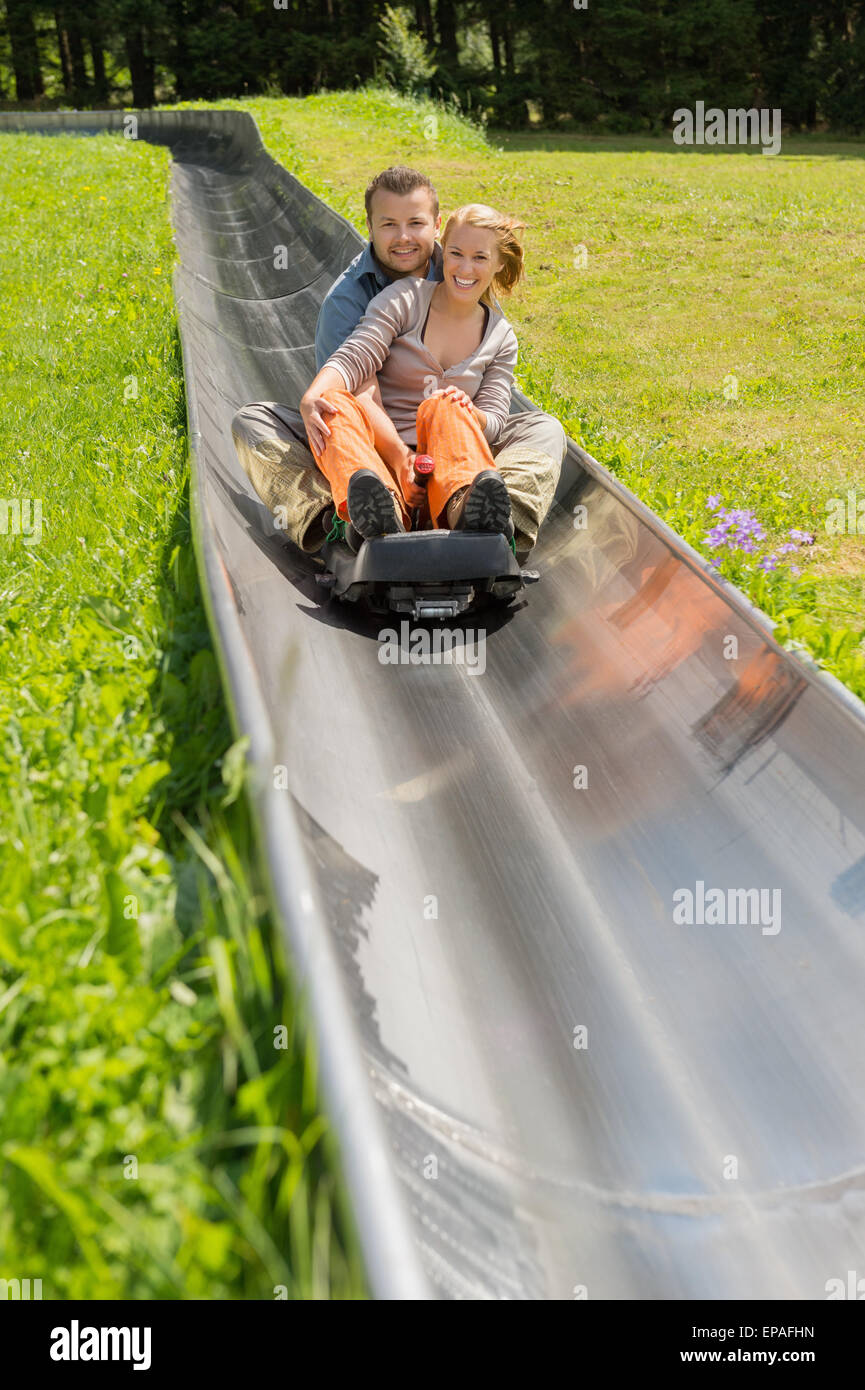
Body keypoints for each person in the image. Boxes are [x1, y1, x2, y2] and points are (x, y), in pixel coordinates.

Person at [231, 166, 566, 561]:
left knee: (543, 428)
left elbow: (492, 410)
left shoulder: (467, 280)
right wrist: (395, 454)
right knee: (259, 422)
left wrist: (465, 411)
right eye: (389, 224)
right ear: (370, 226)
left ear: (437, 228)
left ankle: (490, 519)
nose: (404, 237)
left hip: (454, 449)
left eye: (416, 223)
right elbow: (356, 368)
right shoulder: (375, 299)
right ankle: (347, 517)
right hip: (370, 447)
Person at [301, 200, 524, 549]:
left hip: (452, 468)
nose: (465, 267)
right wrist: (313, 395)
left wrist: (470, 410)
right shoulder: (404, 297)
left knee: (448, 406)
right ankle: (378, 511)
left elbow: (496, 419)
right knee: (331, 401)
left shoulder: (501, 337)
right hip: (379, 459)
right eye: (455, 254)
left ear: (499, 264)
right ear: (441, 254)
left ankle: (469, 509)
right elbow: (357, 355)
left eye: (480, 257)